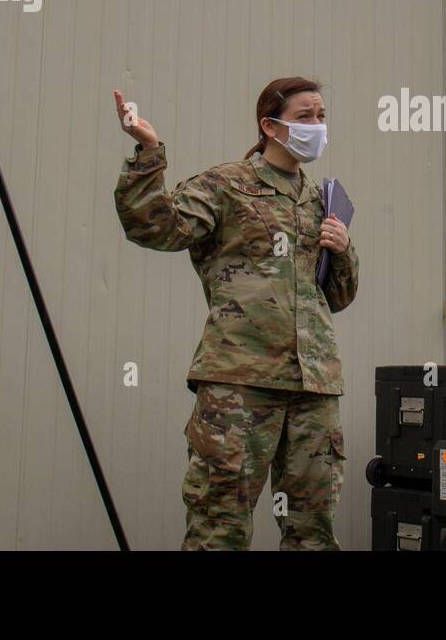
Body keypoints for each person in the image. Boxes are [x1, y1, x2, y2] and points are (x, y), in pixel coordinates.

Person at [112, 77, 359, 550]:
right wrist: (148, 153)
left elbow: (338, 296)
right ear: (270, 125)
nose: (317, 126)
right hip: (240, 382)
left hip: (314, 387)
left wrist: (343, 250)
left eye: (322, 117)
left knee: (313, 528)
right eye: (305, 117)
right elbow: (156, 227)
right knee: (219, 521)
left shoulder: (321, 200)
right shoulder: (227, 185)